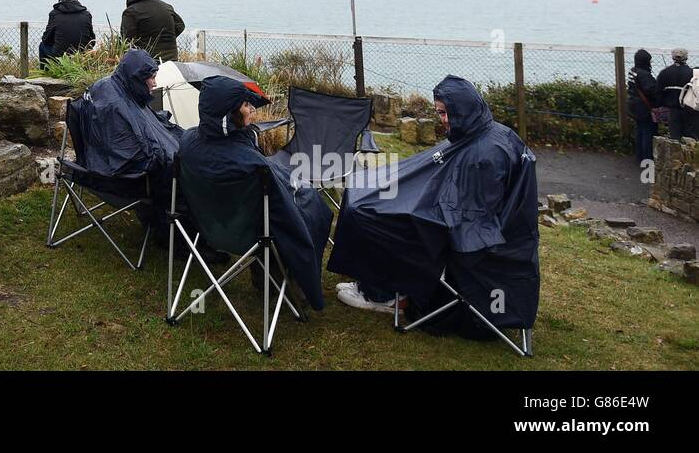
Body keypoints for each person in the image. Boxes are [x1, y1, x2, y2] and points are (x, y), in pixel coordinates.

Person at [329, 75, 539, 340]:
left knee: (370, 216)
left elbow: (469, 219)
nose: (443, 120)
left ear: (462, 109)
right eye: (438, 113)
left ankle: (382, 295)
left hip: (478, 242)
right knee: (365, 198)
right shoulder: (492, 133)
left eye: (444, 113)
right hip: (495, 229)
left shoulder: (484, 155)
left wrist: (415, 211)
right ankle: (379, 285)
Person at [178, 75, 332, 308]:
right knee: (314, 209)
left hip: (207, 226)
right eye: (245, 104)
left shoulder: (187, 142)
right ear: (228, 114)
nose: (251, 108)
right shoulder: (252, 165)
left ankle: (267, 277)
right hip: (251, 234)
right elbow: (289, 218)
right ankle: (284, 279)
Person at [76, 49, 181, 236]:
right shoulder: (114, 106)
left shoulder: (108, 86)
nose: (155, 83)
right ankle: (171, 234)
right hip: (120, 181)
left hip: (92, 164)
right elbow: (130, 156)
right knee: (175, 172)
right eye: (152, 77)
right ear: (137, 77)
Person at [119, 0, 185, 63]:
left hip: (147, 60)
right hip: (172, 59)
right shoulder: (166, 6)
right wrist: (166, 38)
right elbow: (180, 26)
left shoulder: (131, 11)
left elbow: (126, 38)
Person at [38, 0, 95, 67]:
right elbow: (92, 39)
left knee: (42, 46)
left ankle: (46, 72)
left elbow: (46, 39)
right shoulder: (86, 14)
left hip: (60, 56)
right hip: (81, 55)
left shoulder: (55, 14)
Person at [657, 48, 697, 141]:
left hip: (673, 111)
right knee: (690, 139)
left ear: (673, 57)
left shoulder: (664, 73)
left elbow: (658, 93)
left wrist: (660, 106)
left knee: (675, 139)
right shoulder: (692, 73)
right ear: (686, 57)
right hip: (690, 110)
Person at [627, 48, 659, 164]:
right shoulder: (644, 74)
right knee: (648, 132)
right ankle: (647, 159)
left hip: (633, 105)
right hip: (643, 108)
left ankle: (639, 156)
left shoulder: (633, 71)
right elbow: (651, 91)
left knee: (640, 130)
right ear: (646, 62)